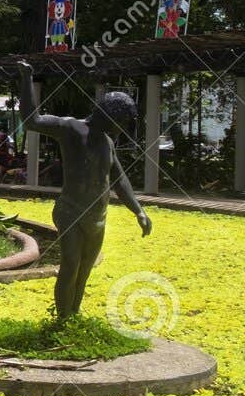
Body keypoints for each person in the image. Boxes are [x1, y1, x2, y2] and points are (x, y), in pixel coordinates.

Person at [17, 63, 151, 318]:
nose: (120, 128)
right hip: (71, 211)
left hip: (97, 217)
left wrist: (138, 211)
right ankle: (62, 320)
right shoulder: (71, 128)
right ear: (110, 115)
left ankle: (74, 316)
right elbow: (31, 120)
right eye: (121, 122)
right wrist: (27, 78)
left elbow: (119, 179)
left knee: (85, 271)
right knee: (70, 265)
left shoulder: (107, 143)